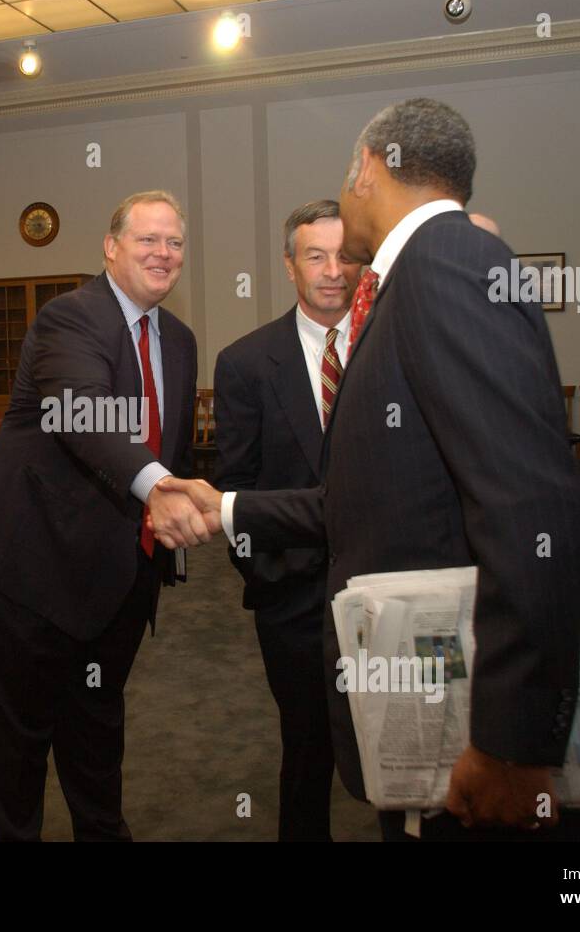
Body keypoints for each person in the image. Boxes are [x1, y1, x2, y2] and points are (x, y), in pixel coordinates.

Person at [156, 98, 580, 840]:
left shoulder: (447, 264)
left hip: (473, 700)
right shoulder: (414, 281)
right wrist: (226, 509)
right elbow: (374, 495)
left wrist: (513, 741)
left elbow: (531, 504)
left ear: (369, 168)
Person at [0, 190, 202, 840]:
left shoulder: (179, 340)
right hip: (30, 577)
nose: (163, 253)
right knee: (17, 749)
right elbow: (83, 414)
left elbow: (172, 447)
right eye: (148, 239)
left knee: (97, 729)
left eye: (175, 242)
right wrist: (158, 489)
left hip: (120, 578)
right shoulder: (70, 317)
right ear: (111, 245)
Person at [212, 199, 360, 840]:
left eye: (345, 255)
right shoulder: (245, 362)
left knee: (405, 749)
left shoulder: (396, 347)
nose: (333, 271)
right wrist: (268, 574)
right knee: (306, 749)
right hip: (292, 598)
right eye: (316, 256)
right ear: (289, 266)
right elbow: (236, 487)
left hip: (387, 589)